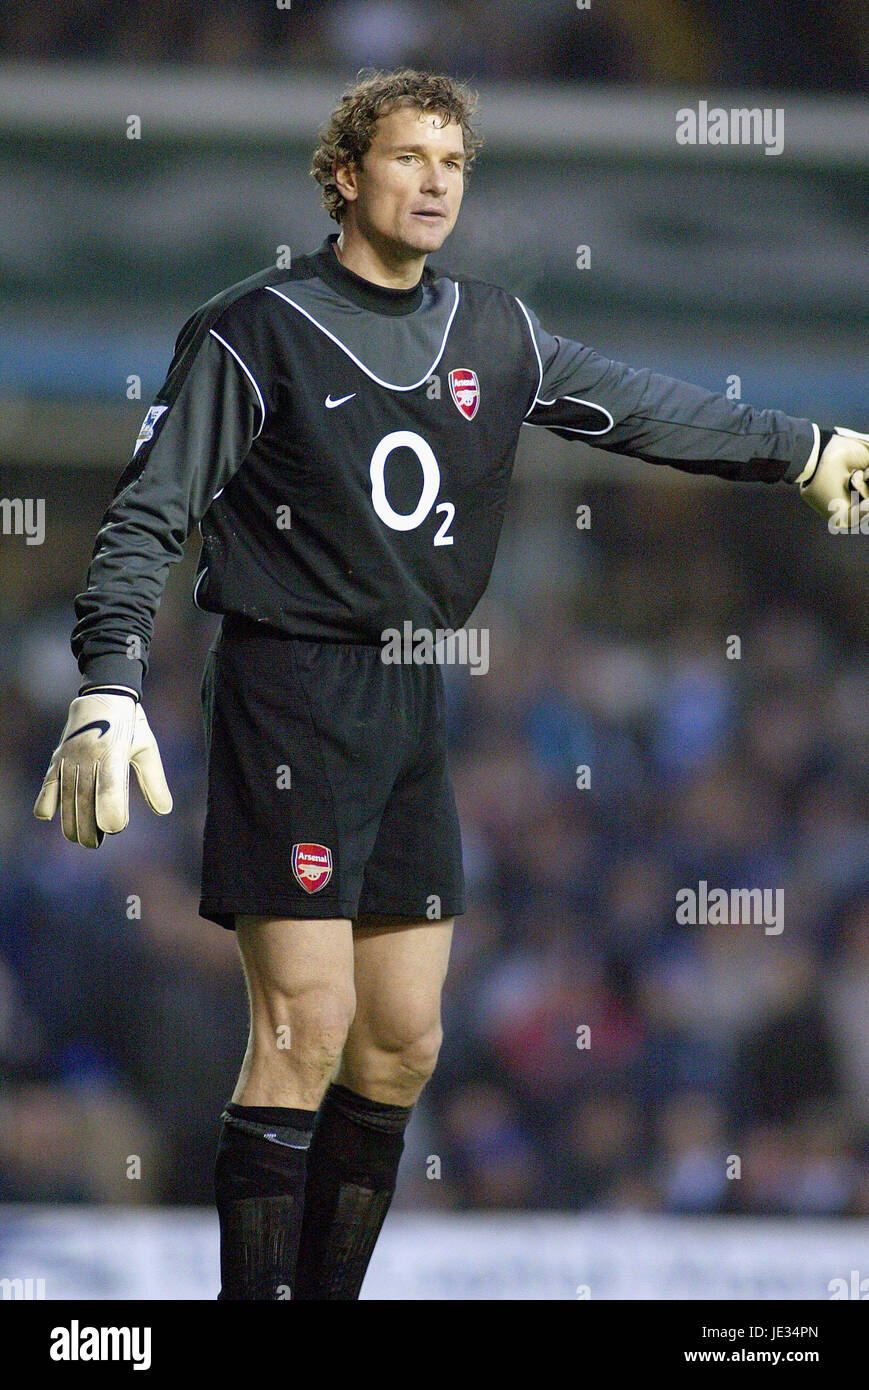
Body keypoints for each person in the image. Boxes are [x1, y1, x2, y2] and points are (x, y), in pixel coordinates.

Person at [33, 68, 869, 1300]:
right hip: (289, 689)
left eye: (453, 163)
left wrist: (792, 445)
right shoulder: (252, 328)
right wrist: (107, 684)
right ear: (341, 176)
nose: (434, 183)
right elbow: (145, 517)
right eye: (408, 158)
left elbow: (637, 409)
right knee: (302, 1027)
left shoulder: (493, 328)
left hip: (413, 698)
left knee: (400, 1042)